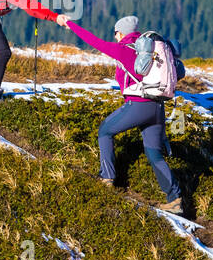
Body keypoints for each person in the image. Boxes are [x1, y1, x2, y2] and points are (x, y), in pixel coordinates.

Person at [56, 13, 182, 212]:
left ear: (120, 32)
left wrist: (69, 24)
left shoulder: (123, 48)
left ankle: (107, 177)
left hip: (138, 105)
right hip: (158, 106)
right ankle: (175, 199)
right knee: (154, 153)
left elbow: (92, 40)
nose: (115, 37)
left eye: (115, 34)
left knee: (105, 131)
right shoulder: (151, 50)